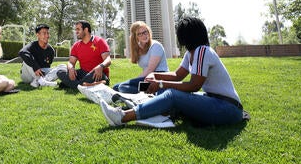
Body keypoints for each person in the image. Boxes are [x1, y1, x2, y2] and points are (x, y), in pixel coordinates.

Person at [100, 17, 245, 127]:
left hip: (227, 108)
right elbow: (178, 75)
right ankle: (159, 114)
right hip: (214, 100)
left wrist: (161, 84)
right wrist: (156, 76)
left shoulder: (202, 51)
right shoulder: (191, 53)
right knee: (172, 94)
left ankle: (123, 117)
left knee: (172, 94)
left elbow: (194, 85)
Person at [112, 21, 169, 93]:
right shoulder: (138, 48)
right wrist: (135, 81)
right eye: (139, 34)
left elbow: (150, 69)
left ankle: (149, 94)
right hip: (147, 79)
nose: (144, 35)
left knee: (123, 87)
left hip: (158, 80)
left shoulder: (156, 46)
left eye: (145, 32)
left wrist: (134, 80)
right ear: (135, 37)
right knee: (116, 87)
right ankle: (145, 93)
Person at [57, 20, 112, 89]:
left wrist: (101, 66)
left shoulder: (100, 41)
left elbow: (108, 59)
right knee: (60, 72)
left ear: (86, 30)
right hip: (83, 73)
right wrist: (71, 68)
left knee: (92, 75)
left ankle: (72, 84)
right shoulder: (76, 45)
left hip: (97, 74)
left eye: (78, 29)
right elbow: (71, 62)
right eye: (75, 29)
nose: (76, 32)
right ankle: (85, 85)